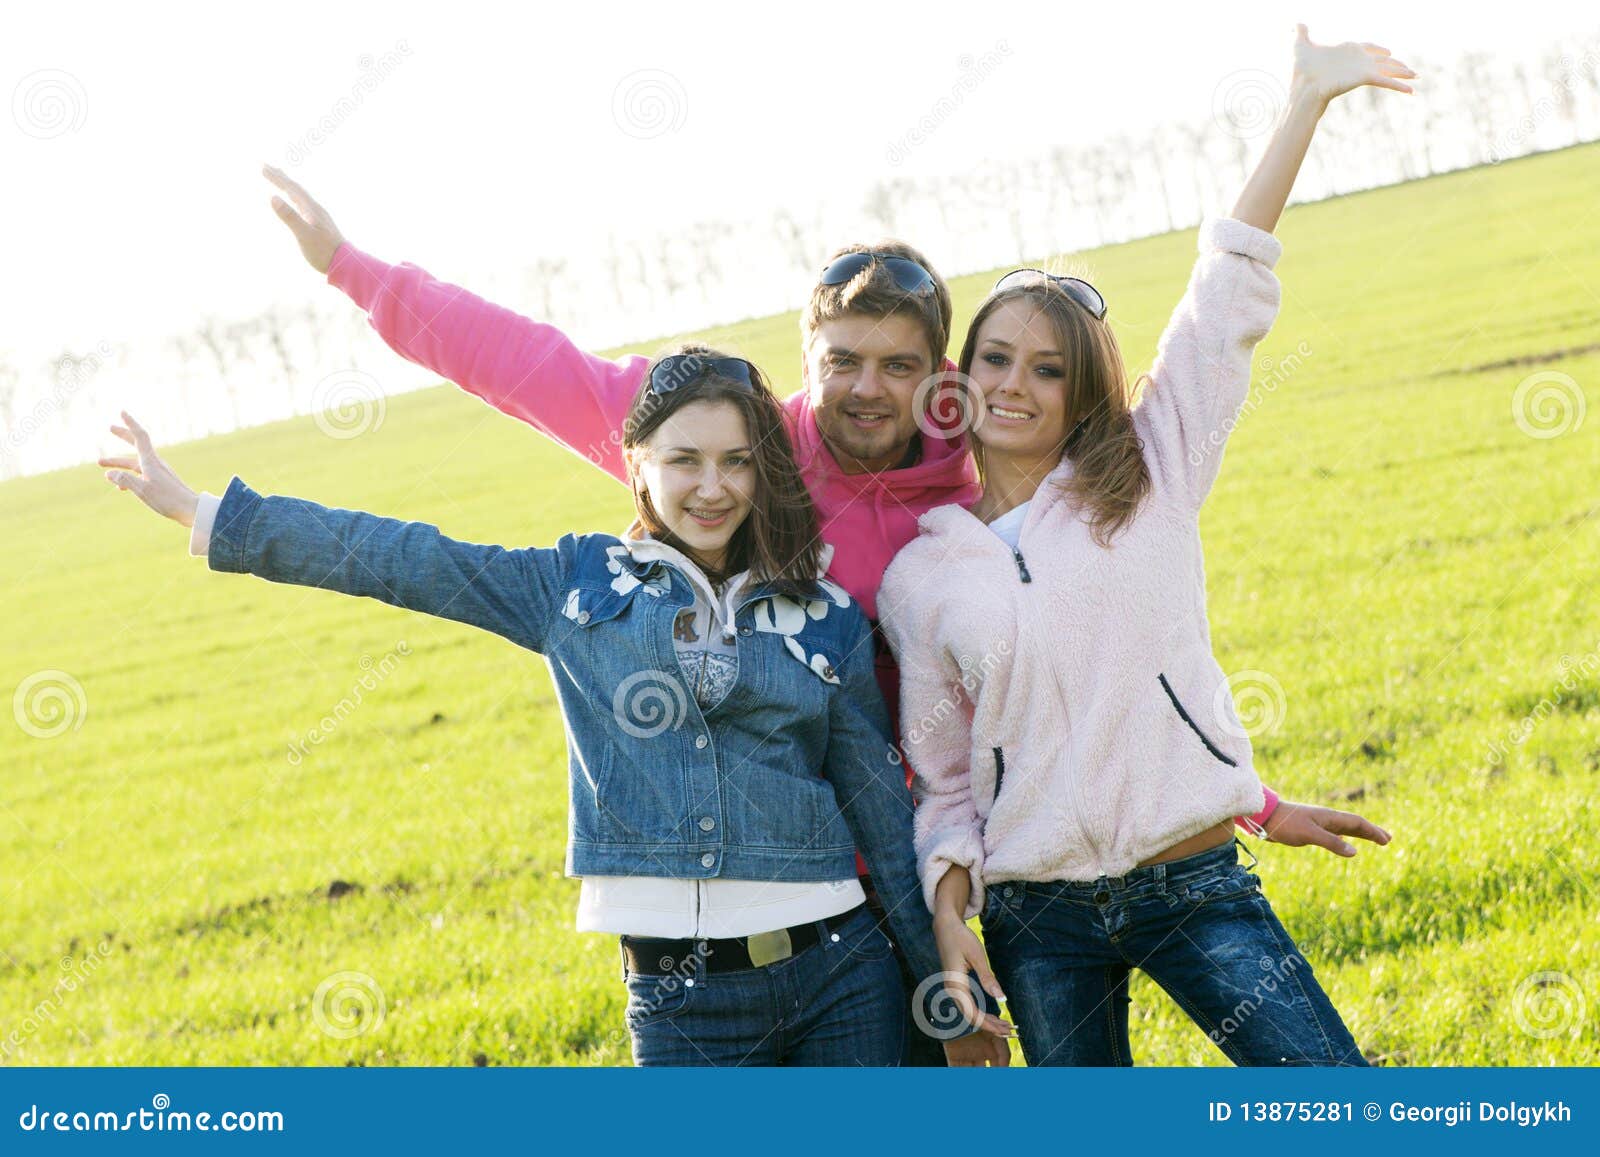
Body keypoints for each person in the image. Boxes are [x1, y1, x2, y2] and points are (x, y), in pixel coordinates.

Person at [259, 66, 1391, 1064]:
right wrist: (355, 272)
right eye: (842, 360)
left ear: (934, 370)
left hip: (916, 879)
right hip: (798, 876)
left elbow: (1080, 654)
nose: (865, 387)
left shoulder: (975, 475)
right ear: (805, 356)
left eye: (898, 364)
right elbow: (526, 363)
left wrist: (1241, 797)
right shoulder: (738, 444)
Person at [100, 348, 1002, 1065]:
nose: (713, 485)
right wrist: (208, 513)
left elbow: (881, 816)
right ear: (639, 468)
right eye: (684, 460)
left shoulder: (826, 615)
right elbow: (406, 558)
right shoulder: (571, 587)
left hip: (842, 974)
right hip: (680, 998)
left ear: (764, 472)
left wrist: (944, 997)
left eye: (736, 461)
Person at [876, 26, 1411, 1066]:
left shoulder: (1152, 469)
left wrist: (1301, 103)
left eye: (1045, 367)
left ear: (1082, 386)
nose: (1013, 385)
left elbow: (1224, 299)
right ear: (961, 374)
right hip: (1039, 915)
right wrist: (953, 923)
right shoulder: (920, 573)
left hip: (1192, 877)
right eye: (994, 358)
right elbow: (942, 785)